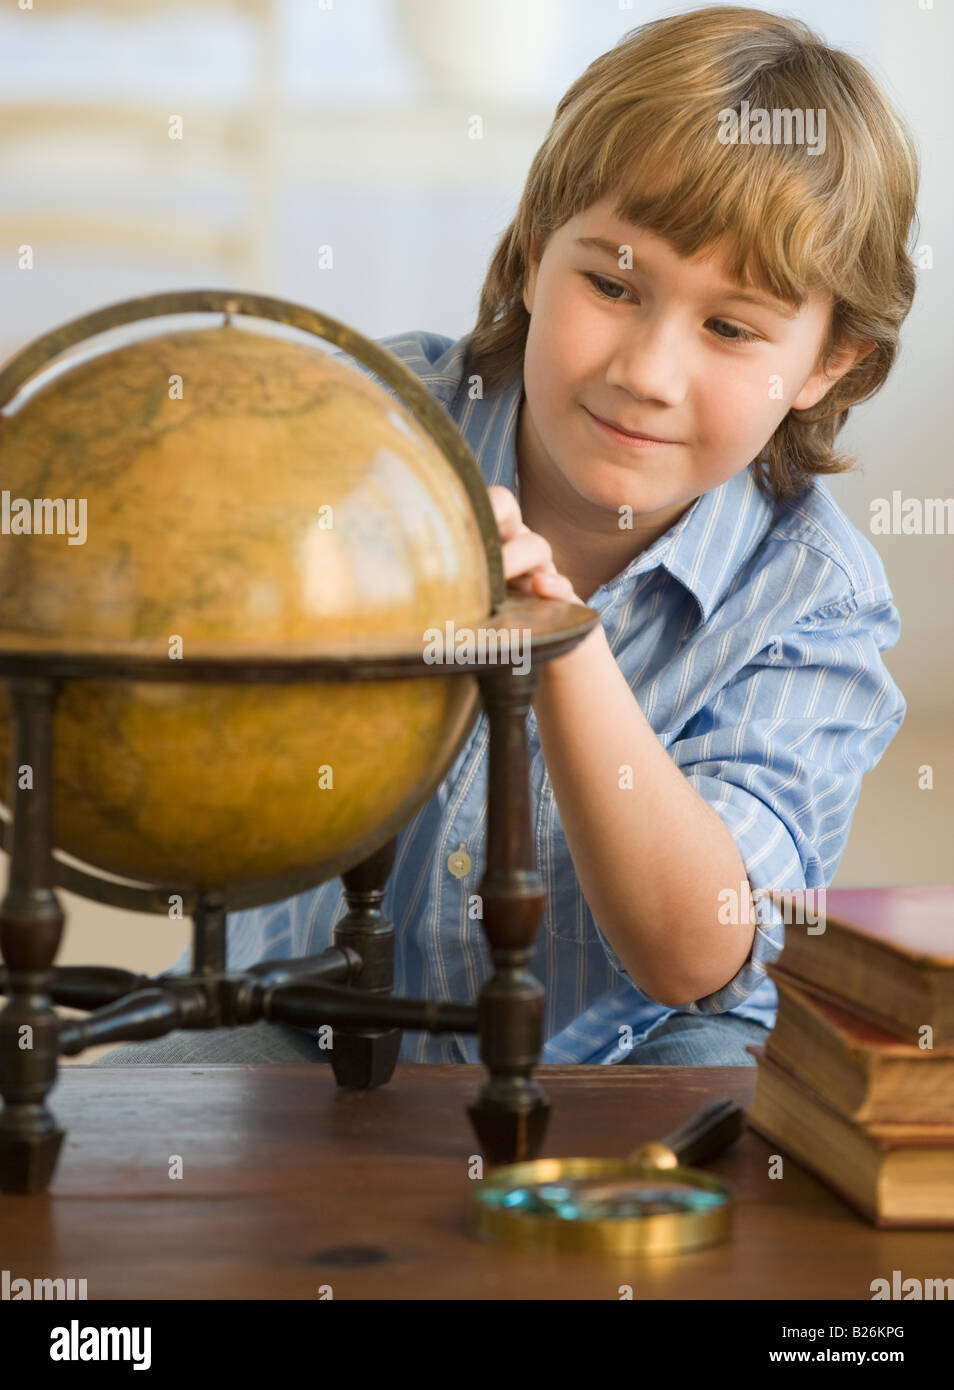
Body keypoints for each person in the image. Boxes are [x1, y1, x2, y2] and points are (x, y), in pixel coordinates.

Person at [93, 5, 917, 1069]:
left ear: (825, 367)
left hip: (625, 1058)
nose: (648, 372)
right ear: (535, 256)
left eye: (730, 328)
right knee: (119, 1149)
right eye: (613, 286)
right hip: (295, 1024)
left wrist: (560, 646)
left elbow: (694, 955)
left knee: (721, 1128)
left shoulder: (813, 598)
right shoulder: (359, 434)